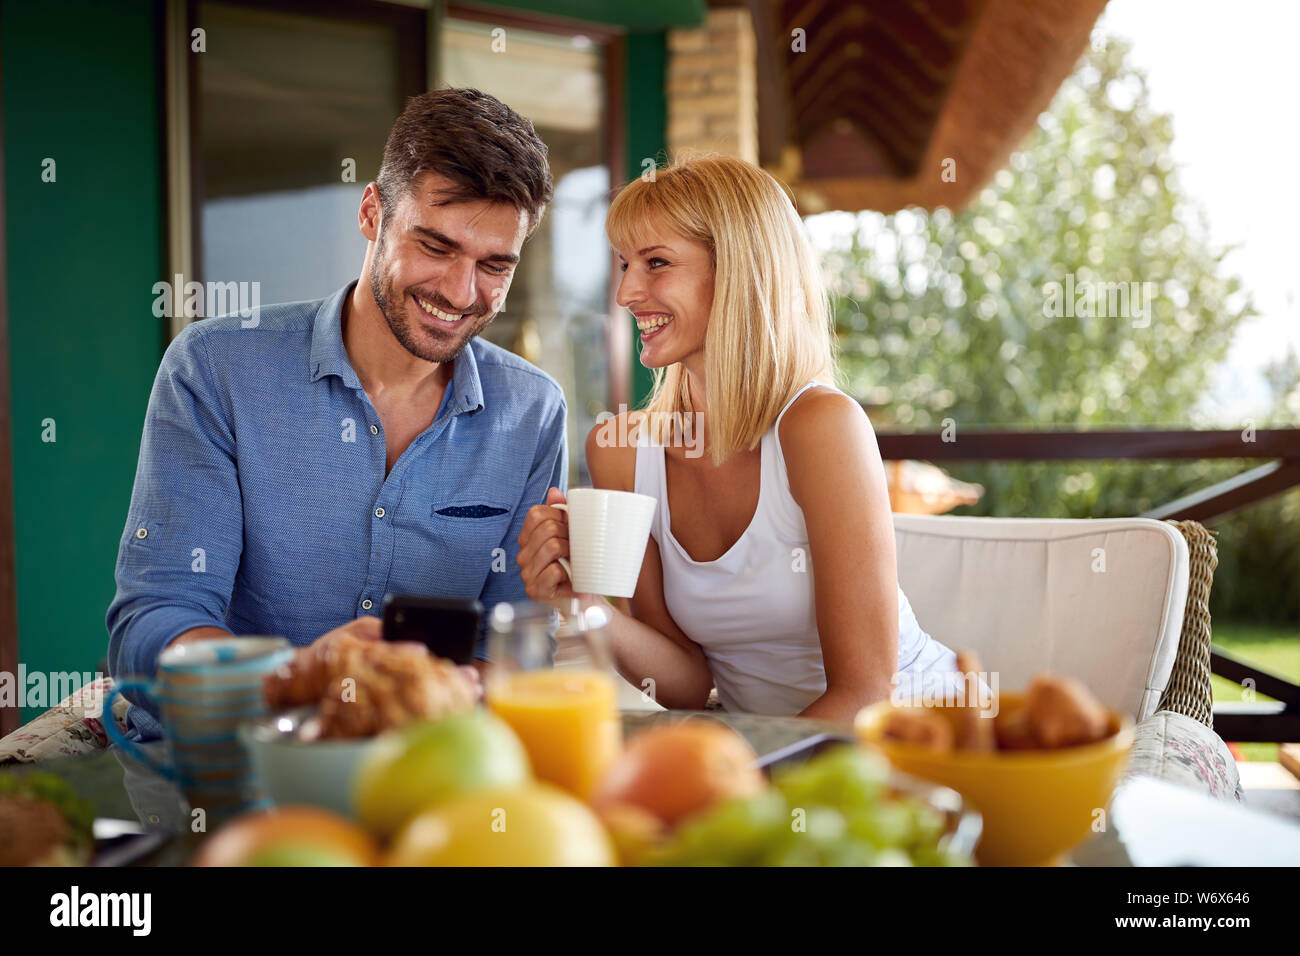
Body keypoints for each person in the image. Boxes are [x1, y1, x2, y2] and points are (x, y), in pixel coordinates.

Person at [108, 88, 566, 741]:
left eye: (493, 265)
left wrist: (457, 688)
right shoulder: (215, 370)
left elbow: (516, 644)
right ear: (372, 211)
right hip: (232, 772)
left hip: (429, 775)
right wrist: (302, 674)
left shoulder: (532, 410)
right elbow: (152, 629)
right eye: (435, 247)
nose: (462, 294)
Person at [517, 154, 966, 724]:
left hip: (913, 736)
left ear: (737, 272)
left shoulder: (822, 429)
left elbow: (864, 694)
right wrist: (580, 605)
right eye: (624, 264)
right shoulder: (622, 451)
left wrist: (738, 786)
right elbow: (681, 682)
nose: (627, 292)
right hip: (780, 760)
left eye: (656, 263)